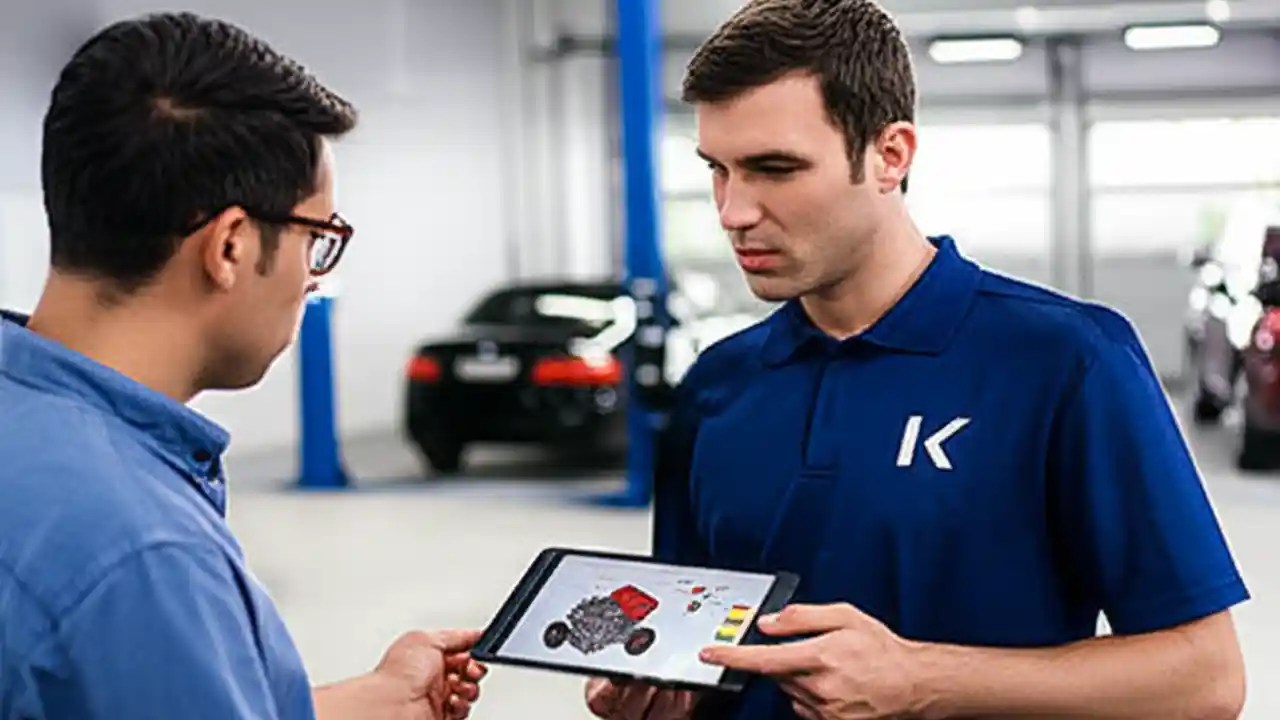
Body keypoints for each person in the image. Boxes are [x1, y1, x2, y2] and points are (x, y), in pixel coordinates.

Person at [587, 1, 1250, 719]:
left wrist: (922, 678)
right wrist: (662, 695)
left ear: (890, 154)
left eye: (774, 169)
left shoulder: (1068, 362)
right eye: (718, 169)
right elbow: (696, 651)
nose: (732, 211)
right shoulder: (718, 385)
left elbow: (1203, 682)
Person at [0, 12, 485, 720]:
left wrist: (372, 701)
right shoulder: (141, 558)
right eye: (316, 238)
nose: (313, 278)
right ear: (229, 246)